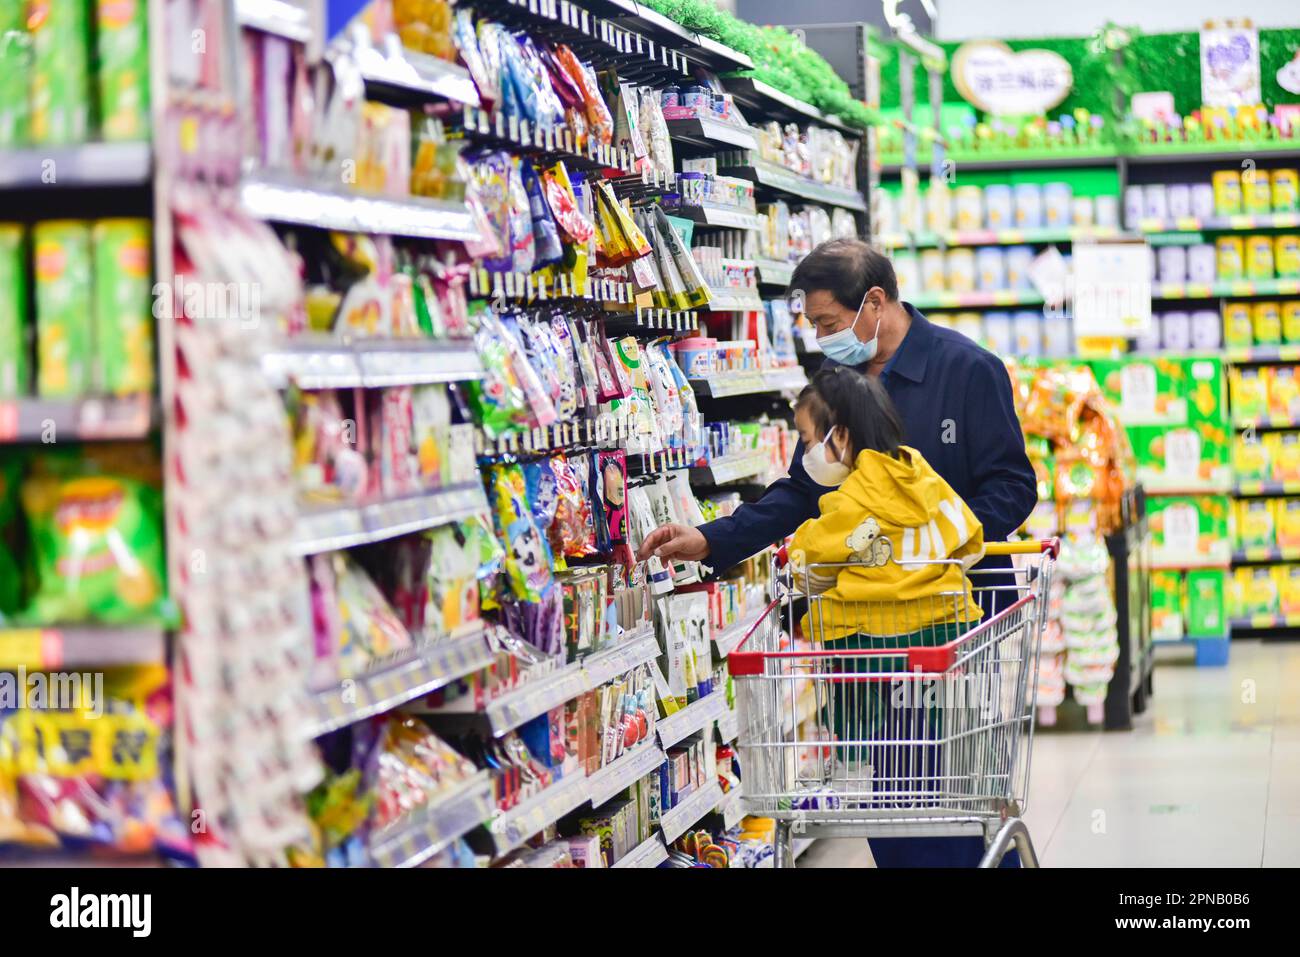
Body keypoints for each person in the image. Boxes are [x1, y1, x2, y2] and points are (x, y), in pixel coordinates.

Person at [636, 238, 1037, 866]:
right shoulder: (839, 386)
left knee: (948, 788)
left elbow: (1014, 486)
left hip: (956, 621)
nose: (821, 338)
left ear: (873, 303)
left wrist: (932, 545)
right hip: (867, 627)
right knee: (895, 794)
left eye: (827, 323)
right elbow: (801, 490)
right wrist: (713, 539)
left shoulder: (967, 369)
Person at [786, 367, 985, 815]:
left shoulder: (856, 502)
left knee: (873, 736)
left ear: (839, 435)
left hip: (867, 643)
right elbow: (970, 540)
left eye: (808, 439)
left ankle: (874, 788)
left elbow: (811, 561)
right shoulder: (923, 476)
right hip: (942, 641)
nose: (807, 453)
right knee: (929, 733)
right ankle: (940, 784)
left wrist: (802, 556)